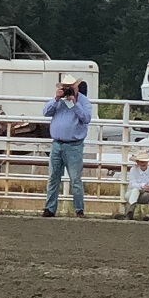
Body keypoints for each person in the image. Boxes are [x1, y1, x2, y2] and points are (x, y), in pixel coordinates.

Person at [43, 72, 93, 217]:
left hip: (74, 145)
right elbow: (46, 112)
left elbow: (86, 118)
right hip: (57, 143)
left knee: (75, 179)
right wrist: (56, 98)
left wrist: (75, 104)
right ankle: (50, 208)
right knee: (53, 177)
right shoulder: (57, 101)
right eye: (66, 87)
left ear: (76, 87)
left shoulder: (83, 102)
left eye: (70, 87)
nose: (68, 90)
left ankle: (79, 209)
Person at [125, 150, 149, 221]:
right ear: (137, 162)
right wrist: (142, 186)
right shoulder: (133, 170)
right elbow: (132, 184)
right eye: (141, 161)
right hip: (131, 194)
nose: (144, 163)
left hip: (145, 194)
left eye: (145, 161)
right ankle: (129, 213)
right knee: (135, 190)